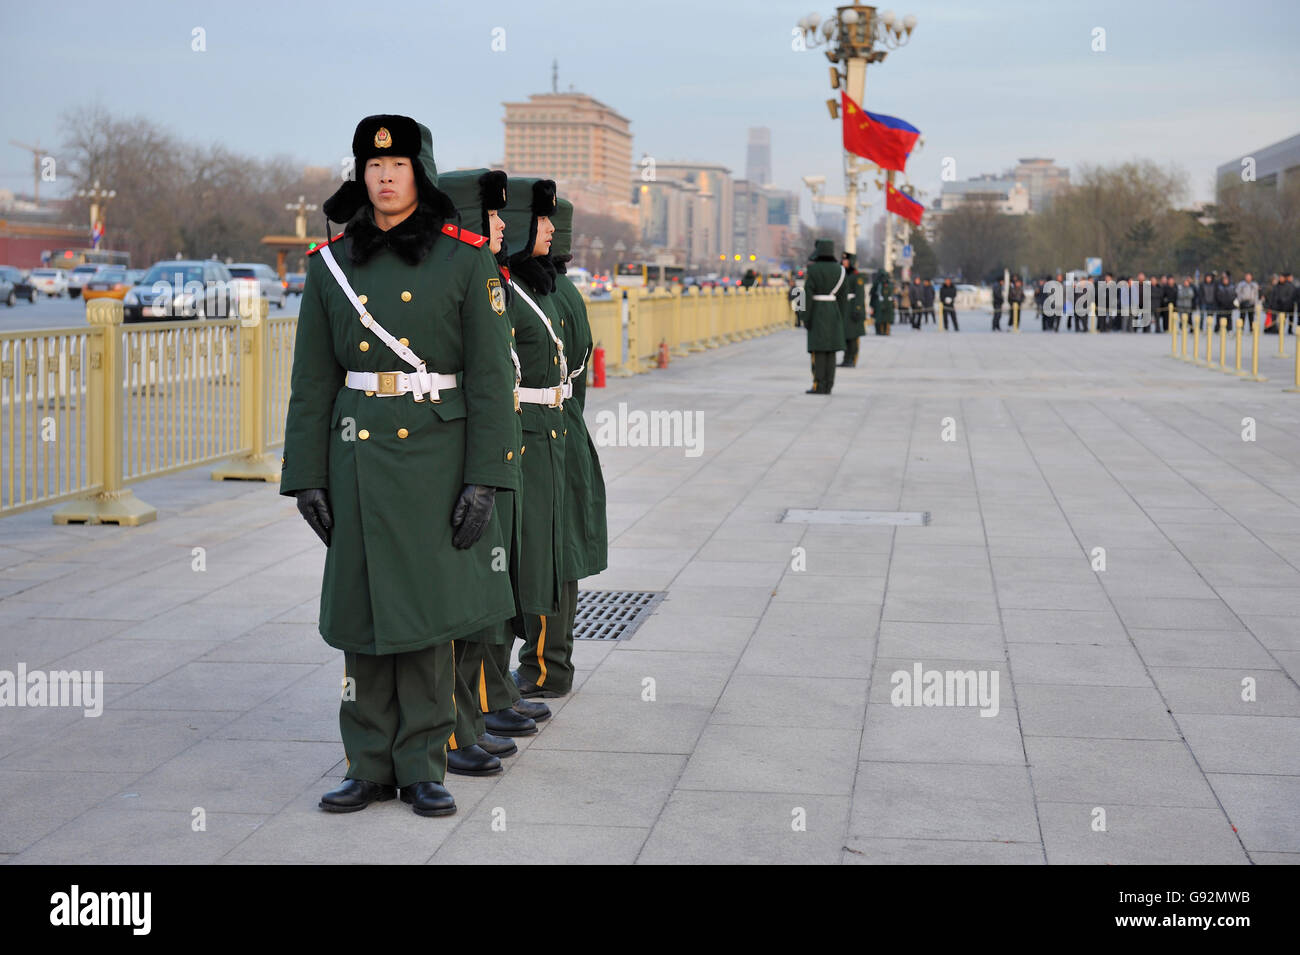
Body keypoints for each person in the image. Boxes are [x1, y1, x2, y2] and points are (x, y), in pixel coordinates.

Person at [281, 115, 519, 817]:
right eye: (371, 165)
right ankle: (367, 763)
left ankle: (422, 762)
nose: (383, 176)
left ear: (421, 172)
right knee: (362, 613)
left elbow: (487, 381)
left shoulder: (464, 257)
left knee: (423, 615)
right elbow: (312, 381)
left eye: (398, 165)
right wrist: (306, 474)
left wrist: (486, 476)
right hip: (357, 452)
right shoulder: (331, 264)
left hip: (435, 454)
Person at [435, 168, 543, 768]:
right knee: (457, 603)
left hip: (489, 459)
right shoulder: (463, 281)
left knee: (483, 596)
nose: (505, 225)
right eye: (493, 215)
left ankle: (469, 716)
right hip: (453, 460)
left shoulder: (490, 280)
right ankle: (453, 724)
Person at [501, 178, 571, 699]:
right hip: (519, 434)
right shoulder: (501, 286)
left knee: (538, 559)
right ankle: (492, 689)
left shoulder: (534, 286)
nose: (549, 229)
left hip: (546, 429)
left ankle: (505, 684)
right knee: (510, 563)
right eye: (541, 220)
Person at [548, 196, 609, 697]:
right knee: (560, 548)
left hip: (543, 430)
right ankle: (553, 661)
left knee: (549, 552)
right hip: (565, 422)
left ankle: (547, 665)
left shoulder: (540, 294)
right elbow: (581, 378)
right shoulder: (568, 292)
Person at [803, 238, 846, 394]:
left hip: (817, 312)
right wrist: (840, 317)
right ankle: (829, 385)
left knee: (818, 351)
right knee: (831, 351)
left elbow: (805, 296)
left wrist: (804, 316)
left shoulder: (812, 270)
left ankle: (819, 384)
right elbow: (843, 297)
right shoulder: (840, 270)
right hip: (833, 312)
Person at [840, 252, 866, 366]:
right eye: (843, 260)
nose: (844, 262)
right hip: (845, 308)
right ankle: (846, 359)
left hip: (853, 308)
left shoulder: (856, 276)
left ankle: (852, 359)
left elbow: (860, 294)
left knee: (853, 337)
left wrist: (857, 308)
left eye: (846, 260)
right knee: (846, 335)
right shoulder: (842, 274)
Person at [871, 268, 895, 335]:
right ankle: (881, 331)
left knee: (881, 318)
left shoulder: (879, 283)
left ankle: (882, 331)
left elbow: (872, 292)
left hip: (881, 302)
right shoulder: (879, 283)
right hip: (879, 302)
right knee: (881, 318)